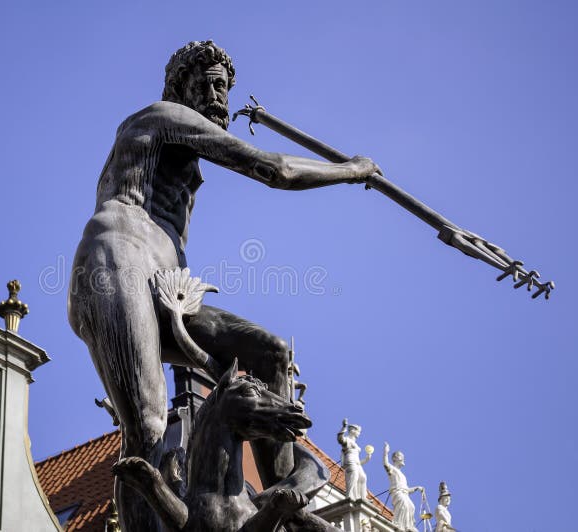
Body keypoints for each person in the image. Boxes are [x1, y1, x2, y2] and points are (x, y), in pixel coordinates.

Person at [68, 40, 380, 531]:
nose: (219, 98)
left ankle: (285, 510)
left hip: (166, 286)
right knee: (147, 426)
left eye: (225, 88)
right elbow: (274, 169)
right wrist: (352, 170)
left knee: (270, 353)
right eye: (208, 85)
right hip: (115, 264)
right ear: (180, 88)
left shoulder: (180, 146)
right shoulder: (163, 115)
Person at [383, 442, 423, 532]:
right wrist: (386, 452)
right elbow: (385, 464)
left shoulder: (403, 475)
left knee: (411, 507)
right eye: (400, 456)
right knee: (403, 505)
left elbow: (407, 490)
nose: (403, 458)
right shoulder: (392, 469)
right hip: (397, 492)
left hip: (404, 493)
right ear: (394, 458)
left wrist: (417, 488)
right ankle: (398, 524)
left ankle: (408, 526)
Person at [337, 418, 372, 500]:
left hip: (357, 463)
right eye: (358, 431)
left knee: (363, 477)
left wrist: (367, 458)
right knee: (354, 476)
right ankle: (349, 495)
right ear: (353, 430)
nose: (359, 434)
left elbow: (359, 462)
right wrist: (344, 427)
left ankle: (362, 498)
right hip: (350, 460)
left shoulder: (355, 443)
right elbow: (340, 439)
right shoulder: (347, 440)